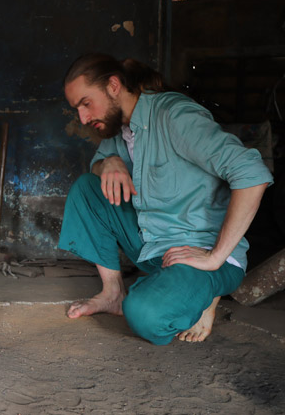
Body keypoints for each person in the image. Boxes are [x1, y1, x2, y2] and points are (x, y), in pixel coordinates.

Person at [58, 53, 273, 345]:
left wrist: (214, 257)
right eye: (76, 109)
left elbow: (252, 173)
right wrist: (107, 163)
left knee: (146, 315)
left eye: (86, 103)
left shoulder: (174, 115)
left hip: (200, 253)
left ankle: (207, 293)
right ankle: (113, 293)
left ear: (113, 86)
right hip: (154, 245)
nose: (83, 118)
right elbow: (97, 166)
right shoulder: (117, 129)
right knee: (87, 188)